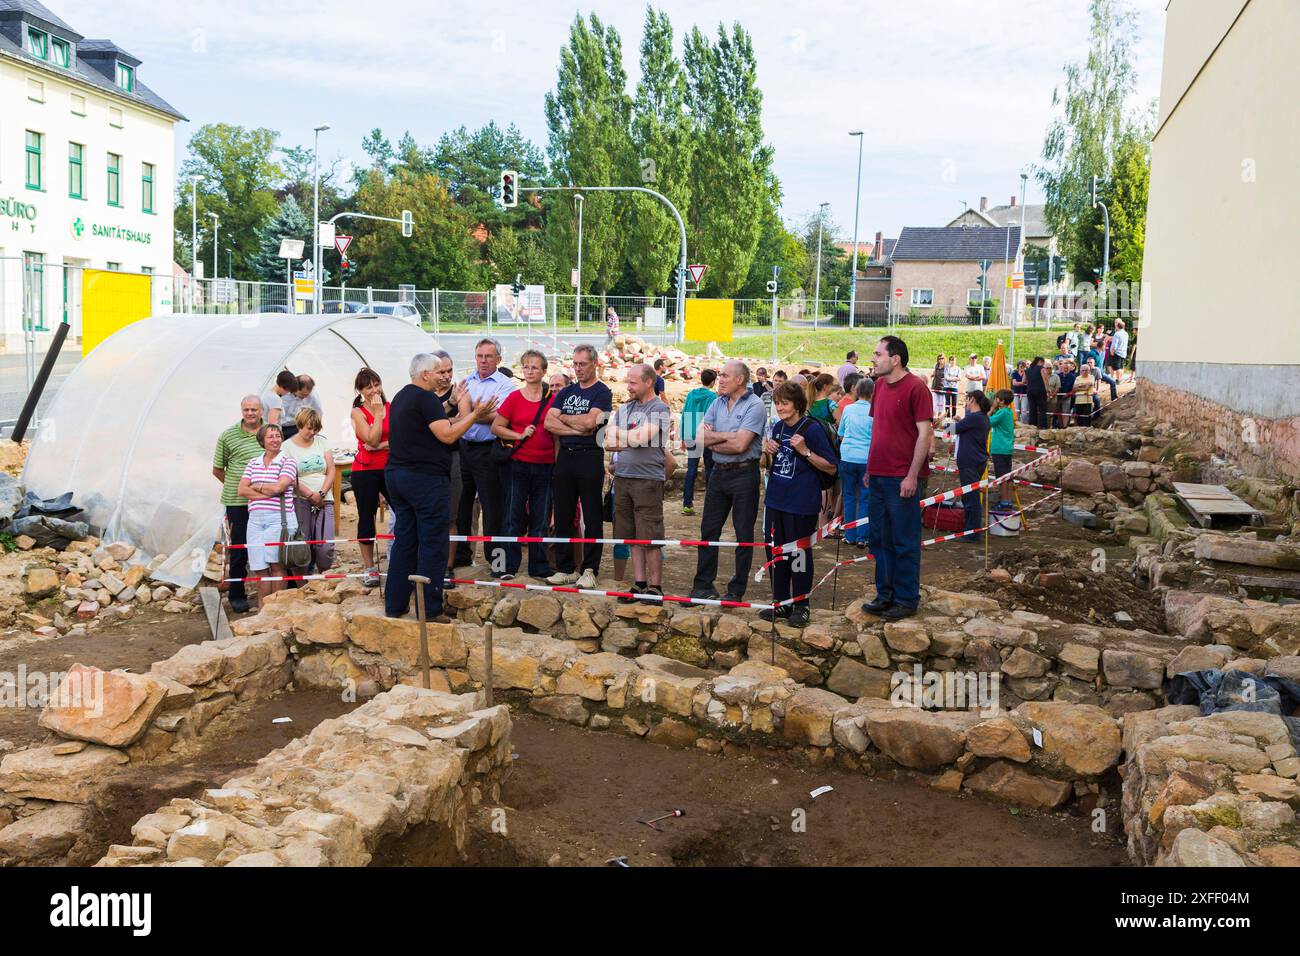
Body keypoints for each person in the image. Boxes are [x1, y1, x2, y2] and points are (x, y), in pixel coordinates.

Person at [385, 353, 498, 622]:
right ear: (425, 374)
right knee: (433, 542)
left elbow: (438, 421)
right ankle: (429, 609)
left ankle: (395, 604)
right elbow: (447, 434)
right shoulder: (425, 398)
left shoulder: (403, 396)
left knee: (405, 540)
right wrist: (476, 415)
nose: (443, 377)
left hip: (397, 477)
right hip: (424, 479)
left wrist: (452, 404)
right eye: (438, 372)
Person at [863, 335, 933, 621]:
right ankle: (885, 594)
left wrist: (911, 475)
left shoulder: (917, 388)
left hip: (901, 477)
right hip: (878, 475)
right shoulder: (879, 386)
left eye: (878, 354)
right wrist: (869, 467)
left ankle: (906, 598)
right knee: (880, 539)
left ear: (895, 359)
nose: (873, 358)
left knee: (904, 539)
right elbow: (879, 430)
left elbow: (924, 434)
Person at [760, 382, 839, 628]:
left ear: (797, 404)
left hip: (801, 503)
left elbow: (831, 465)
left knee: (798, 554)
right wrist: (766, 451)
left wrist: (804, 451)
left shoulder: (812, 429)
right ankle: (781, 600)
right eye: (777, 403)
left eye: (785, 403)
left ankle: (801, 604)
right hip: (776, 500)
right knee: (774, 551)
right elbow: (767, 464)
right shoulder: (777, 427)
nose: (780, 407)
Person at [691, 360, 765, 602]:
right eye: (720, 375)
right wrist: (727, 436)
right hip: (718, 472)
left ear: (740, 380)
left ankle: (736, 590)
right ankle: (703, 585)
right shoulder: (716, 402)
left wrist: (715, 437)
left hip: (745, 474)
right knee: (708, 529)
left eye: (725, 375)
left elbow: (741, 444)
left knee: (743, 533)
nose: (719, 379)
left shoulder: (755, 405)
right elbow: (698, 437)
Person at [544, 344, 612, 588]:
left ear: (594, 363)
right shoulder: (566, 391)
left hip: (590, 455)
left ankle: (590, 569)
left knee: (592, 515)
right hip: (566, 457)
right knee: (562, 513)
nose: (578, 368)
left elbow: (590, 423)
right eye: (575, 364)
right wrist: (576, 426)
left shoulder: (602, 392)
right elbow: (548, 422)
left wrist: (566, 419)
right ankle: (565, 568)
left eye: (582, 364)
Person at [607, 364, 675, 602]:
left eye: (633, 382)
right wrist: (631, 439)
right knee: (631, 536)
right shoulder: (626, 408)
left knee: (650, 536)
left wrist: (624, 436)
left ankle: (655, 586)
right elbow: (607, 441)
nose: (628, 387)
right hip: (623, 477)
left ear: (648, 382)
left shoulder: (660, 409)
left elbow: (638, 439)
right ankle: (639, 583)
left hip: (647, 478)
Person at [492, 350, 558, 581]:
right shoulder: (514, 398)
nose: (530, 371)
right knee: (511, 516)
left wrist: (557, 463)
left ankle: (538, 566)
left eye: (535, 367)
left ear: (543, 371)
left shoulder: (552, 398)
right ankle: (504, 566)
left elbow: (557, 434)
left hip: (545, 465)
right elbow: (496, 427)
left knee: (540, 519)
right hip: (517, 465)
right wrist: (518, 435)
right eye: (526, 367)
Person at [453, 338, 518, 573]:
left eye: (488, 356)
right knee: (462, 506)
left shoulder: (505, 385)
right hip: (465, 448)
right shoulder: (466, 381)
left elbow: (499, 417)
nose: (483, 360)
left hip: (489, 450)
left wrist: (468, 411)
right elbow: (466, 414)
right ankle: (461, 555)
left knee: (493, 508)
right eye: (479, 356)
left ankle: (498, 562)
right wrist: (475, 412)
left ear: (498, 359)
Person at [213, 395, 265, 613]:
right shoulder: (228, 436)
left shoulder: (269, 433)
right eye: (246, 409)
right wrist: (239, 487)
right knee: (239, 547)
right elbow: (217, 469)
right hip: (238, 501)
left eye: (254, 409)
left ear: (262, 411)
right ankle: (237, 593)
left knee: (270, 544)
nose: (250, 413)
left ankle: (277, 589)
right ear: (241, 411)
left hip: (266, 501)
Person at [237, 424, 298, 609]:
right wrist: (267, 492)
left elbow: (280, 487)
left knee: (277, 565)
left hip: (278, 518)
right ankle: (263, 610)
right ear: (262, 441)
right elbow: (241, 489)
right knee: (259, 568)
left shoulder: (288, 461)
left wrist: (257, 485)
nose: (276, 440)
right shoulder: (253, 462)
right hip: (255, 520)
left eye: (278, 436)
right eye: (271, 437)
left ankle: (276, 609)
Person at [283, 407, 336, 575]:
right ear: (300, 425)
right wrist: (309, 494)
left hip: (324, 497)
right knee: (302, 542)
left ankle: (323, 576)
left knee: (325, 545)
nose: (313, 432)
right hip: (300, 500)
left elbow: (332, 470)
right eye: (309, 428)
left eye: (316, 428)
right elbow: (289, 477)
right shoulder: (287, 447)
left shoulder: (322, 442)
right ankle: (302, 583)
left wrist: (321, 493)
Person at [349, 367, 390, 587]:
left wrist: (383, 444)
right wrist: (376, 413)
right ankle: (369, 568)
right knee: (366, 516)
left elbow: (401, 439)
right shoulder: (358, 412)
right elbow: (370, 440)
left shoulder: (392, 407)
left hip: (391, 466)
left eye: (376, 384)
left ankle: (401, 557)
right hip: (365, 469)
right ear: (361, 390)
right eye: (368, 387)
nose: (374, 390)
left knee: (403, 511)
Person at [429, 351, 466, 566]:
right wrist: (449, 419)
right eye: (441, 371)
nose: (446, 376)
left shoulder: (459, 391)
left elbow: (462, 420)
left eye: (449, 370)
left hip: (453, 456)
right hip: (428, 460)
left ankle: (448, 566)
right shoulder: (424, 393)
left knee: (451, 516)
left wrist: (444, 420)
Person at [838, 377, 874, 548]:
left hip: (848, 456)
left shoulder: (848, 409)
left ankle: (850, 534)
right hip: (866, 458)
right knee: (866, 498)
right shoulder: (874, 411)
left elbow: (841, 433)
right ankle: (862, 536)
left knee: (849, 496)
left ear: (857, 392)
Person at [680, 368, 719, 516]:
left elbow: (684, 414)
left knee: (691, 470)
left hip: (690, 434)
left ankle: (687, 504)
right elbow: (712, 418)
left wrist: (684, 435)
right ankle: (711, 504)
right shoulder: (712, 396)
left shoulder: (691, 394)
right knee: (710, 469)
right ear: (714, 382)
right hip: (706, 436)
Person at [954, 389, 991, 541]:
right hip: (975, 460)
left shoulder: (974, 418)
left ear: (973, 400)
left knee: (971, 497)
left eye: (967, 399)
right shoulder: (981, 418)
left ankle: (972, 532)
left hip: (970, 460)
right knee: (970, 495)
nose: (966, 403)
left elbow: (953, 429)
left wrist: (948, 422)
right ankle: (970, 529)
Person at [989, 389, 1016, 497]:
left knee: (1002, 478)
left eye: (996, 398)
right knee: (1008, 476)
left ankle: (1004, 501)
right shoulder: (1008, 412)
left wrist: (991, 409)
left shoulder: (1001, 412)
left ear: (1001, 401)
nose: (994, 400)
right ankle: (1008, 500)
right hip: (1007, 448)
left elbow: (987, 421)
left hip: (999, 448)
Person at [281, 374, 323, 440]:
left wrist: (314, 428)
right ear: (295, 388)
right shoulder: (283, 392)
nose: (305, 397)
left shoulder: (312, 396)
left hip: (295, 427)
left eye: (307, 394)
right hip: (278, 426)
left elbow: (318, 413)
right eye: (302, 394)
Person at [1026, 356, 1049, 428]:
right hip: (1040, 390)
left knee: (1032, 409)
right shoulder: (1041, 368)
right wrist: (1048, 389)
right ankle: (1043, 426)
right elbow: (1045, 379)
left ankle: (1032, 426)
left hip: (1030, 391)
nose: (1043, 364)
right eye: (1043, 363)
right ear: (1039, 361)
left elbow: (1024, 381)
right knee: (1042, 409)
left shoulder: (1027, 370)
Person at [1073, 360, 1096, 427]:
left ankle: (1087, 430)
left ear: (1089, 371)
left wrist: (1079, 385)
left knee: (1087, 417)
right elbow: (1074, 388)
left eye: (1086, 370)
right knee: (1079, 417)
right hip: (1078, 400)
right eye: (1083, 370)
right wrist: (1084, 387)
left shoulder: (1091, 377)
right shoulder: (1078, 378)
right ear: (1080, 371)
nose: (1084, 372)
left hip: (1087, 400)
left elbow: (1089, 385)